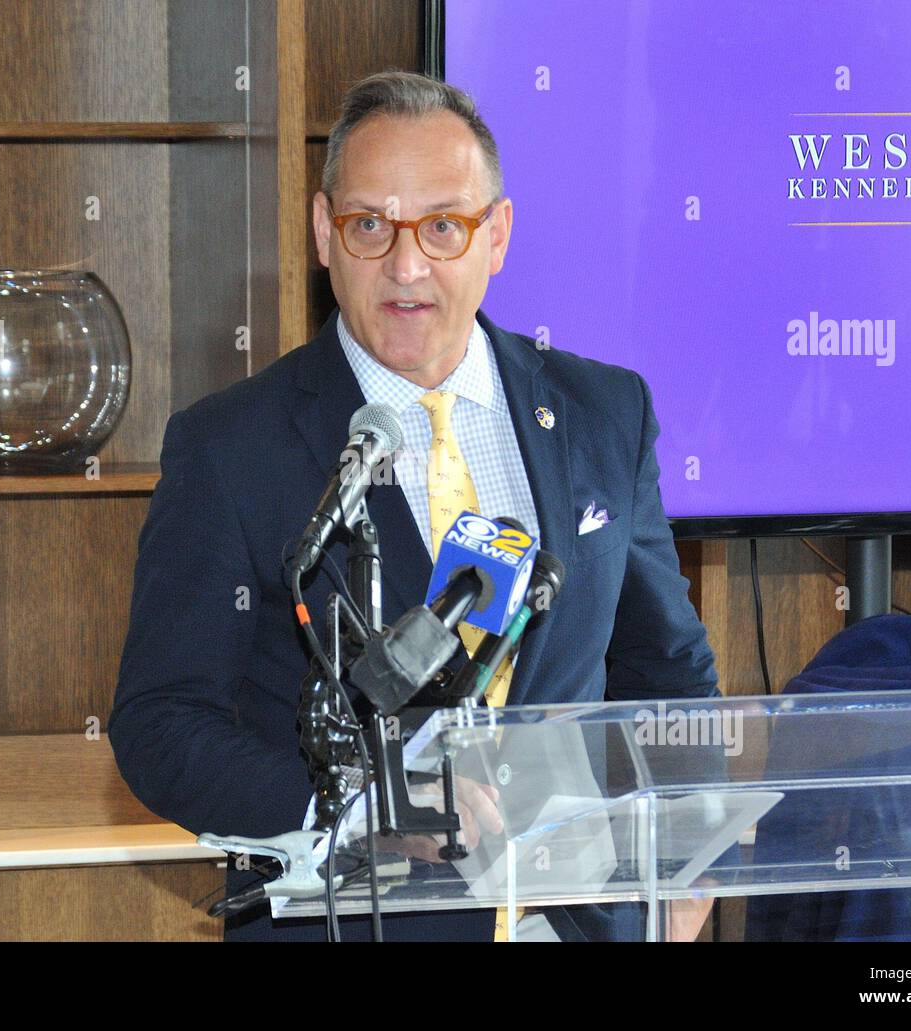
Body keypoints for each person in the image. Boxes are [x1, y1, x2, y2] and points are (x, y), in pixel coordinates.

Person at [109, 70, 719, 941]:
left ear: (496, 234)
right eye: (369, 226)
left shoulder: (605, 416)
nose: (406, 265)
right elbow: (160, 725)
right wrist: (356, 806)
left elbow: (667, 673)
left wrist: (687, 850)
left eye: (443, 225)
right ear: (324, 232)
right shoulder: (229, 447)